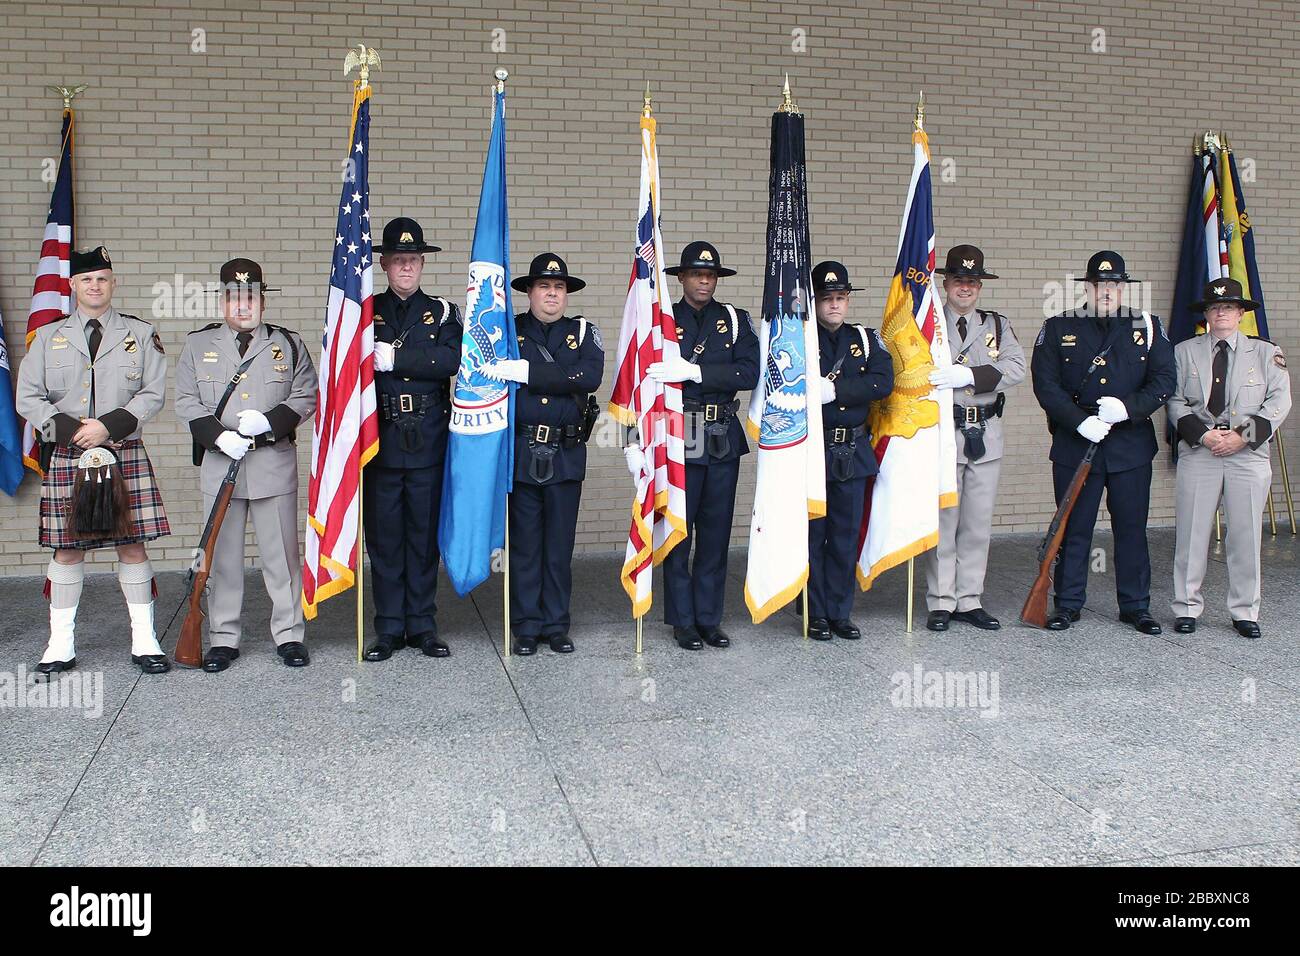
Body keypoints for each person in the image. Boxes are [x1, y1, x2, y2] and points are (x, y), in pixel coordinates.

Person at [15, 246, 171, 678]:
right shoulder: (47, 337)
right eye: (86, 280)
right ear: (72, 286)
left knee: (132, 544)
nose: (95, 285)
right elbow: (27, 397)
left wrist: (107, 428)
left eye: (102, 278)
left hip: (121, 450)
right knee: (67, 550)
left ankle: (146, 640)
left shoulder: (140, 333)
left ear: (113, 283)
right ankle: (59, 645)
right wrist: (73, 432)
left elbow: (153, 392)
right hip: (68, 452)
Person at [174, 258, 317, 671]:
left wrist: (268, 425)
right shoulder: (198, 346)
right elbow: (186, 400)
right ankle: (223, 636)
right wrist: (218, 436)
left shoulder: (287, 344)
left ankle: (289, 634)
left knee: (282, 558)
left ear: (262, 300)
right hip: (221, 468)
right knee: (222, 558)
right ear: (223, 301)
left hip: (272, 465)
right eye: (235, 297)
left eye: (250, 296)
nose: (243, 306)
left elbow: (306, 394)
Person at [1030, 250, 1176, 633]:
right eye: (1100, 284)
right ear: (1089, 287)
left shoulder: (1147, 325)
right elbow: (1046, 386)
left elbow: (1164, 381)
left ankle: (1135, 605)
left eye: (1114, 285)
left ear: (1123, 288)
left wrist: (1126, 409)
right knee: (1074, 528)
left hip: (1130, 447)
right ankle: (1068, 604)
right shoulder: (1059, 327)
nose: (1107, 291)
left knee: (1131, 529)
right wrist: (1080, 422)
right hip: (1077, 445)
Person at [641, 241, 759, 650]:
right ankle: (682, 620)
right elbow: (643, 382)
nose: (704, 281)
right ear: (681, 278)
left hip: (722, 434)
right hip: (679, 432)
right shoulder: (661, 321)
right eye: (696, 274)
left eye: (710, 275)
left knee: (716, 531)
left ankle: (709, 617)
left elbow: (749, 372)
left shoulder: (735, 320)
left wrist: (693, 371)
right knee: (679, 530)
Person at [483, 254, 603, 655]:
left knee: (558, 546)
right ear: (529, 293)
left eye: (559, 288)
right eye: (544, 287)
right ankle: (526, 626)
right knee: (526, 545)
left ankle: (556, 624)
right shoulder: (510, 331)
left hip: (565, 452)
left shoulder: (584, 332)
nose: (552, 294)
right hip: (522, 451)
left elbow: (589, 376)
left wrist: (528, 372)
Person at [1167, 278, 1291, 638]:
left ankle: (1244, 611)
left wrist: (1241, 437)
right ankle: (1186, 606)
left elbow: (1279, 403)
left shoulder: (1266, 352)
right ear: (1206, 314)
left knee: (1245, 534)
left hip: (1247, 454)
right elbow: (1174, 400)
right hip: (1200, 450)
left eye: (1229, 307)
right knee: (1191, 532)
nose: (1221, 312)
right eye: (1214, 307)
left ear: (1240, 314)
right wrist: (1203, 435)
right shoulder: (1184, 351)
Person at [363, 217, 463, 661]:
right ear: (384, 264)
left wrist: (396, 357)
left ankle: (422, 624)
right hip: (380, 440)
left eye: (414, 260)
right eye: (398, 260)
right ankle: (388, 627)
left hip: (426, 438)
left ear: (423, 264)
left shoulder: (443, 311)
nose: (406, 267)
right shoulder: (364, 311)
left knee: (422, 537)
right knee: (385, 539)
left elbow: (451, 360)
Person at [924, 245, 1025, 632]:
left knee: (977, 524)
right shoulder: (928, 325)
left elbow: (1016, 368)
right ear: (945, 283)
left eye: (972, 281)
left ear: (979, 286)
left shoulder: (996, 325)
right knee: (944, 521)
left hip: (985, 432)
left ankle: (969, 599)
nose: (965, 288)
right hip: (945, 434)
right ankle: (941, 600)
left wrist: (970, 376)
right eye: (958, 280)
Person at [806, 260, 893, 639]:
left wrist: (837, 391)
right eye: (827, 299)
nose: (836, 306)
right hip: (812, 450)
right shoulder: (800, 338)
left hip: (852, 450)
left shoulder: (866, 339)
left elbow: (883, 381)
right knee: (813, 535)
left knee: (844, 534)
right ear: (814, 302)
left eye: (841, 298)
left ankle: (840, 611)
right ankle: (814, 612)